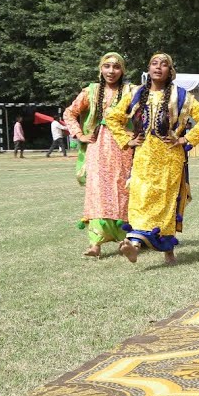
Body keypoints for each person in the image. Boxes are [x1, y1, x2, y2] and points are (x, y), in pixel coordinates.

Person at [105, 53, 199, 265]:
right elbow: (112, 117)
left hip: (170, 158)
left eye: (164, 64)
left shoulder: (181, 96)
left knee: (165, 204)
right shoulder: (136, 94)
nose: (158, 67)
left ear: (170, 71)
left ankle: (168, 252)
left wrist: (185, 139)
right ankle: (134, 245)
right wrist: (127, 139)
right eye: (154, 64)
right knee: (141, 199)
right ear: (148, 69)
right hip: (144, 157)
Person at [63, 52, 137, 258]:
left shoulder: (131, 91)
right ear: (100, 69)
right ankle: (95, 244)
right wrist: (79, 134)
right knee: (98, 191)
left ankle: (127, 238)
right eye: (107, 66)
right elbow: (69, 113)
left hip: (123, 147)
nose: (111, 71)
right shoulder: (91, 91)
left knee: (123, 190)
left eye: (116, 67)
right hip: (97, 147)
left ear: (122, 70)